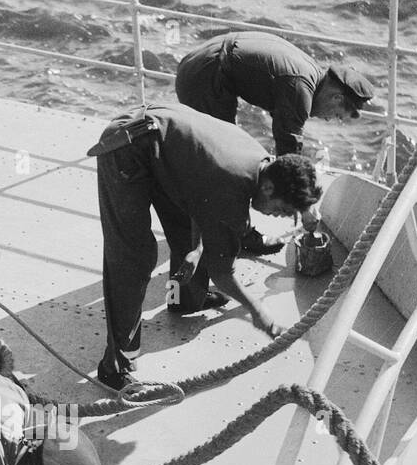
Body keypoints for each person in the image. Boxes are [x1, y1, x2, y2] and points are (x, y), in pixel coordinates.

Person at [89, 102, 322, 391]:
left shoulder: (262, 163)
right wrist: (257, 311)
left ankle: (185, 299)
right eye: (284, 209)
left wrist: (196, 248)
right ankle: (115, 368)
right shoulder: (233, 188)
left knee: (187, 236)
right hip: (127, 148)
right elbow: (222, 271)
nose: (280, 217)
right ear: (269, 188)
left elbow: (202, 193)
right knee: (132, 259)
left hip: (164, 145)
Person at [175, 31, 373, 235]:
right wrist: (304, 206)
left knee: (228, 154)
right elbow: (289, 152)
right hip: (204, 75)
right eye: (338, 115)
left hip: (206, 62)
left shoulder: (311, 74)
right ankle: (232, 234)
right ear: (337, 98)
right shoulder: (299, 88)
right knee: (222, 162)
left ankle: (230, 229)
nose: (330, 119)